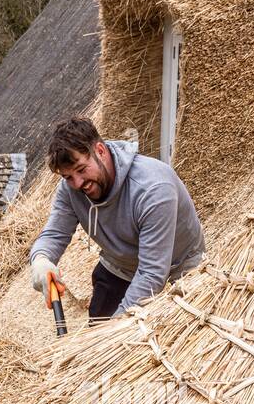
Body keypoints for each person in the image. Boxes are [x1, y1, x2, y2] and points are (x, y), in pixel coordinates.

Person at [29, 117, 205, 321]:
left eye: (81, 170)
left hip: (180, 266)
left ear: (101, 151)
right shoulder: (70, 189)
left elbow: (151, 274)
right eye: (68, 177)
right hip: (122, 265)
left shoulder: (153, 189)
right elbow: (54, 234)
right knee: (98, 325)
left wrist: (116, 327)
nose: (78, 183)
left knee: (175, 336)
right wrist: (41, 259)